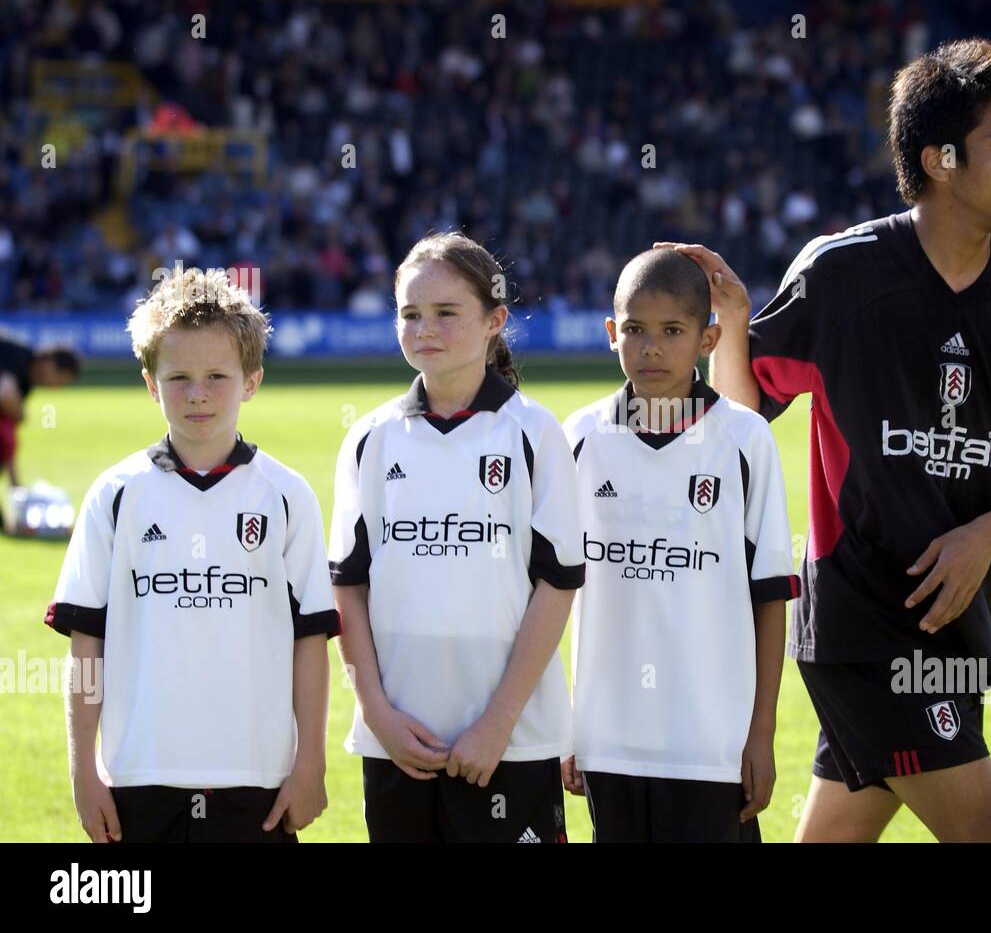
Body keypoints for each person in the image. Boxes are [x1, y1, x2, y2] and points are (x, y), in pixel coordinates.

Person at [662, 38, 991, 842]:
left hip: (955, 629)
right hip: (860, 620)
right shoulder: (842, 273)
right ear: (940, 158)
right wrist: (737, 326)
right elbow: (742, 412)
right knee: (989, 834)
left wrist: (979, 539)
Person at [46, 267, 339, 842]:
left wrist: (311, 763)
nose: (197, 393)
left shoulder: (286, 495)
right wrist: (84, 771)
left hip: (257, 776)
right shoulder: (115, 494)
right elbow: (86, 643)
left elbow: (311, 639)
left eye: (216, 376)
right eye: (177, 377)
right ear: (151, 384)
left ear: (252, 380)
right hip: (139, 775)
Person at [329, 231, 584, 843]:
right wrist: (376, 715)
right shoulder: (370, 438)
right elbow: (348, 588)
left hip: (510, 742)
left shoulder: (533, 433)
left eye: (447, 313)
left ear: (495, 319)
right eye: (410, 314)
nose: (426, 328)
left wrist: (496, 725)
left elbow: (558, 585)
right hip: (398, 742)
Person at [561, 249, 798, 842]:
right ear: (611, 333)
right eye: (635, 330)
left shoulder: (745, 439)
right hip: (608, 741)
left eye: (672, 331)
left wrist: (760, 734)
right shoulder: (580, 438)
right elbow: (551, 595)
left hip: (709, 743)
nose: (651, 348)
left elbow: (770, 596)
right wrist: (563, 726)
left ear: (708, 338)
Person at [0, 339, 80, 488]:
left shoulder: (25, 382)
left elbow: (7, 436)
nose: (56, 387)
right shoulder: (18, 358)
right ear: (49, 363)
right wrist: (20, 414)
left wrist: (15, 486)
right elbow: (5, 394)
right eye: (60, 379)